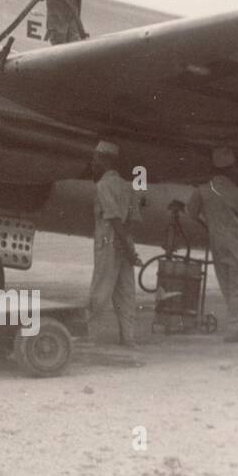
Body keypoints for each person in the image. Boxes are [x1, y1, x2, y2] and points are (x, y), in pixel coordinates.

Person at [187, 147, 238, 343]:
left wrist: (208, 222)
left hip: (217, 243)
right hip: (237, 243)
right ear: (230, 169)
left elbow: (190, 213)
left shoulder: (201, 191)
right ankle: (236, 329)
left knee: (227, 284)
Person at [89, 140, 140, 347]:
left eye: (95, 159)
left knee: (100, 290)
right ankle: (128, 338)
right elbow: (132, 220)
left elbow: (113, 218)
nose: (93, 164)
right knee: (126, 292)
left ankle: (90, 337)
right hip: (125, 242)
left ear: (104, 160)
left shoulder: (103, 186)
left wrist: (123, 245)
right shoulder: (127, 186)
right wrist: (128, 246)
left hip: (108, 242)